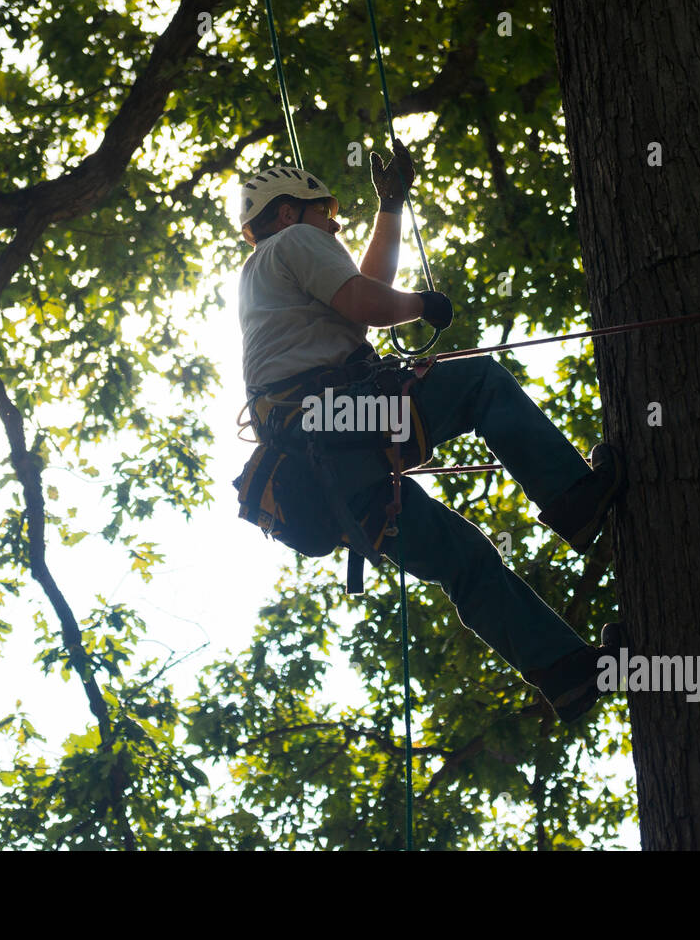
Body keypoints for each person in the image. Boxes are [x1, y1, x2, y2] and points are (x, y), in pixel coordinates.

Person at [234, 141, 626, 723]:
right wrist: (421, 304)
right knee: (477, 386)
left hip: (324, 457)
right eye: (325, 214)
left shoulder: (271, 271)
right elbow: (365, 301)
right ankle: (575, 500)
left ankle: (570, 675)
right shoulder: (293, 243)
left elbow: (358, 287)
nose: (333, 225)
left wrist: (390, 206)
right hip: (331, 419)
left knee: (462, 561)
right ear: (288, 212)